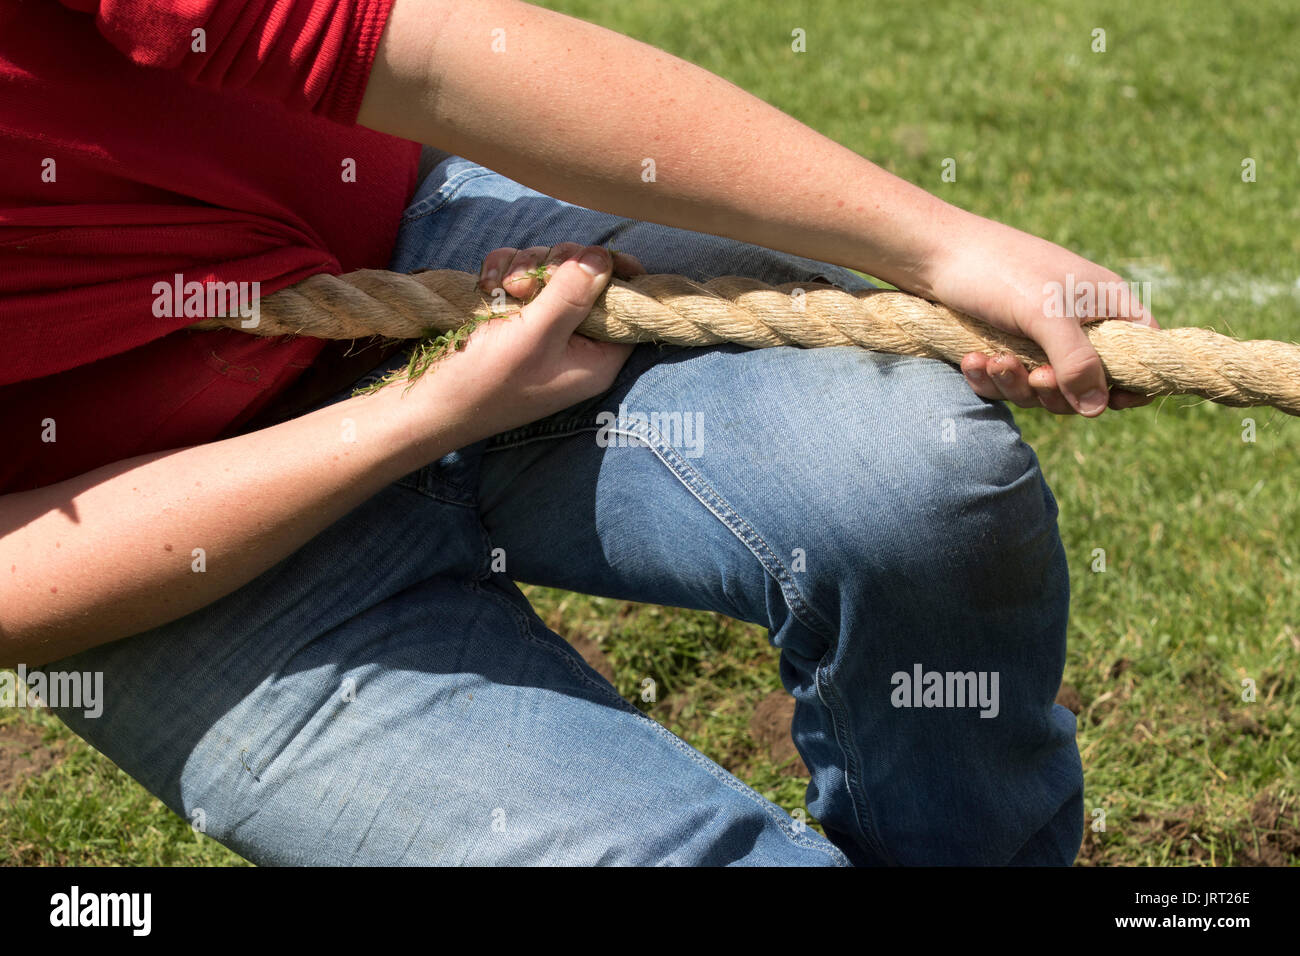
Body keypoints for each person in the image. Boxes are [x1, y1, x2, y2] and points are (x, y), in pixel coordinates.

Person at [0, 0, 1155, 865]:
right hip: (156, 566)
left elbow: (431, 46)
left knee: (914, 485)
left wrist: (934, 242)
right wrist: (420, 418)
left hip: (413, 248)